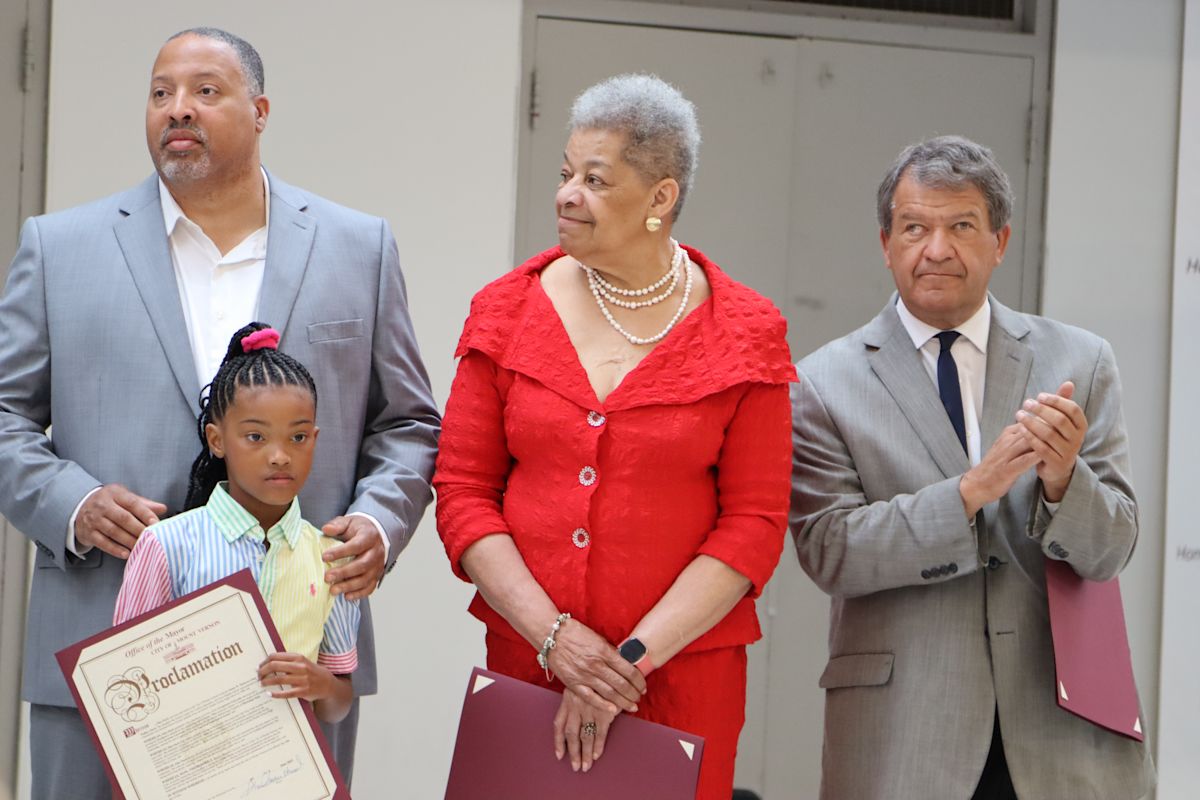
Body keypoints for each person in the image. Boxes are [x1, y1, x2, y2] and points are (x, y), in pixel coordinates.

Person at [0, 28, 439, 796]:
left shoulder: (357, 246)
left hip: (294, 662)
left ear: (260, 109)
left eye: (206, 91)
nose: (179, 109)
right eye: (161, 92)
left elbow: (407, 424)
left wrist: (377, 525)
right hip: (106, 654)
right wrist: (70, 505)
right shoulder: (60, 247)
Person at [433, 73, 794, 800]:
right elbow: (463, 492)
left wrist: (623, 664)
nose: (568, 194)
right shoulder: (505, 310)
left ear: (661, 198)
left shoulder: (747, 333)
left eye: (596, 181)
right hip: (528, 667)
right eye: (566, 174)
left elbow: (753, 524)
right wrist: (555, 641)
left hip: (682, 680)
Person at [790, 135, 1155, 799]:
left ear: (1000, 241)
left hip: (1061, 728)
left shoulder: (1081, 361)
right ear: (886, 243)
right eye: (915, 228)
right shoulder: (822, 382)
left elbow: (1113, 548)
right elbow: (829, 550)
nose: (937, 249)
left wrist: (1065, 481)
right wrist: (968, 492)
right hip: (903, 734)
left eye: (961, 226)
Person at [114, 323, 360, 723]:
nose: (280, 456)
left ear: (315, 439)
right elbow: (121, 687)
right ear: (217, 440)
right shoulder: (166, 546)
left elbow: (338, 702)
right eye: (256, 437)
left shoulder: (333, 559)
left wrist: (322, 685)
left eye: (297, 438)